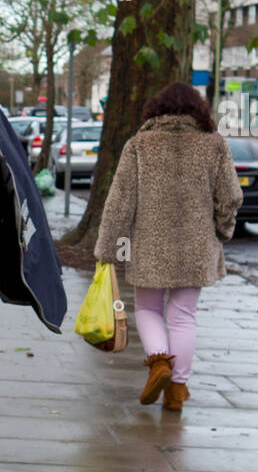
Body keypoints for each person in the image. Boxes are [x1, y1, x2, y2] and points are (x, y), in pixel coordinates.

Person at [94, 81, 243, 410]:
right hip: (197, 247)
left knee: (147, 310)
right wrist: (223, 230)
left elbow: (120, 203)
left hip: (150, 245)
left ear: (156, 110)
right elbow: (231, 196)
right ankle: (177, 390)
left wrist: (109, 250)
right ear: (198, 110)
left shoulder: (139, 145)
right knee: (184, 317)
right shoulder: (214, 146)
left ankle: (159, 362)